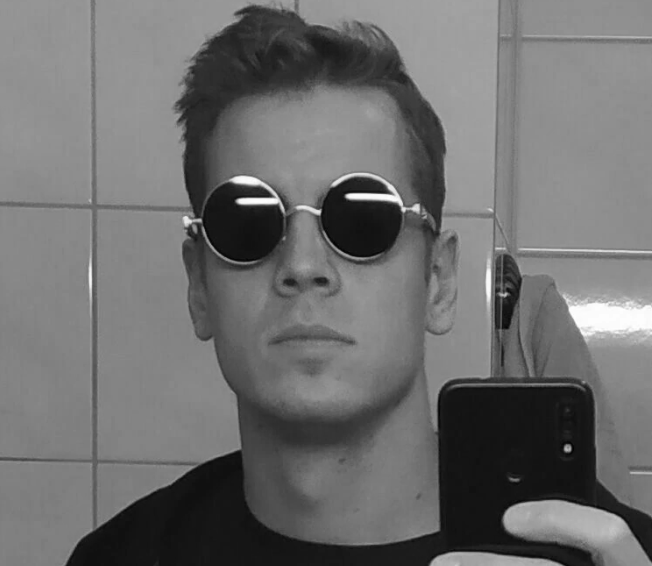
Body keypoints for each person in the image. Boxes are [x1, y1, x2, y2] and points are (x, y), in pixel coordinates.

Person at [65, 5, 652, 565]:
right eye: (247, 223)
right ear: (199, 286)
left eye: (362, 219)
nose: (302, 265)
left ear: (439, 281)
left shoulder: (613, 555)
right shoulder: (121, 556)